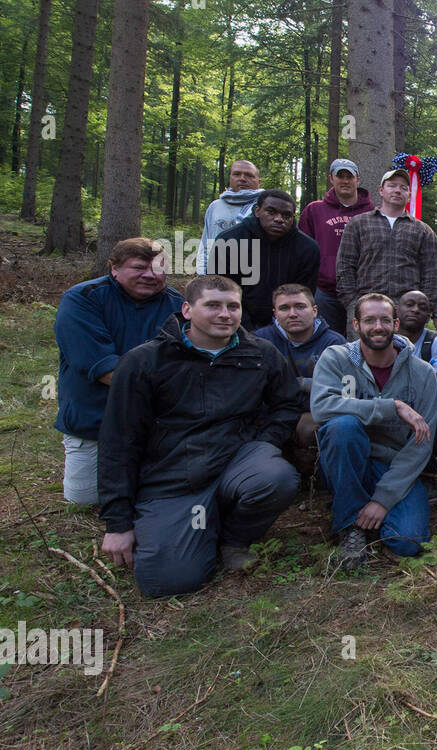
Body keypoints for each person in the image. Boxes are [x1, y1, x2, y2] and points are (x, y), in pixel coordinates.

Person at [97, 276, 300, 597]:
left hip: (235, 464)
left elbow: (287, 402)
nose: (225, 314)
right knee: (167, 581)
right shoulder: (145, 361)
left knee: (277, 476)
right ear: (187, 310)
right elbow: (118, 441)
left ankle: (233, 539)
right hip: (172, 479)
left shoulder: (260, 354)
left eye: (233, 306)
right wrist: (118, 523)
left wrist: (265, 443)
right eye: (213, 306)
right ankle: (197, 530)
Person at [311, 293, 437, 569]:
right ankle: (350, 526)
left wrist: (383, 500)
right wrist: (391, 406)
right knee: (343, 426)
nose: (377, 327)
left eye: (384, 320)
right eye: (369, 320)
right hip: (346, 459)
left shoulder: (422, 373)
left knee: (407, 541)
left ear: (395, 324)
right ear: (356, 325)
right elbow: (321, 408)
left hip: (392, 464)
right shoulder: (336, 358)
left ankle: (370, 507)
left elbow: (421, 445)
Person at [54, 238, 185, 505]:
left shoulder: (178, 306)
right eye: (139, 267)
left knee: (157, 494)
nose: (150, 275)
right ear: (114, 268)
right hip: (94, 419)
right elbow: (102, 369)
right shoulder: (82, 299)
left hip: (158, 424)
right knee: (85, 500)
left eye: (159, 268)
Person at [252, 284, 346, 476]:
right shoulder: (260, 340)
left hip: (312, 412)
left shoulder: (334, 343)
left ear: (314, 310)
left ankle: (314, 477)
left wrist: (295, 384)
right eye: (284, 308)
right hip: (272, 410)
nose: (293, 313)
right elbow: (252, 384)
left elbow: (340, 389)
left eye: (300, 307)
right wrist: (307, 384)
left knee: (310, 428)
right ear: (275, 313)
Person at [335, 168, 437, 323]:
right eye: (392, 185)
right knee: (363, 348)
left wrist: (423, 307)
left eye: (403, 188)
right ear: (381, 190)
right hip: (367, 308)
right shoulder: (358, 224)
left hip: (408, 312)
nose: (397, 191)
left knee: (405, 348)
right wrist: (352, 303)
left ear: (410, 195)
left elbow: (431, 274)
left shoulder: (423, 231)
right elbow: (344, 266)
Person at [212, 189, 320, 331]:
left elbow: (302, 295)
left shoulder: (307, 248)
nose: (279, 219)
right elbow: (219, 290)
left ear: (293, 217)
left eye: (286, 215)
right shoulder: (230, 240)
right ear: (257, 211)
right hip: (233, 320)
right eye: (271, 212)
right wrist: (245, 328)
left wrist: (277, 329)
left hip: (285, 324)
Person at [298, 159, 374, 334]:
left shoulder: (372, 212)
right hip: (324, 291)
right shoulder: (314, 210)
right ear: (331, 178)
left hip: (361, 291)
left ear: (358, 180)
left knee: (362, 340)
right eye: (340, 176)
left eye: (350, 176)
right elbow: (303, 250)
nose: (345, 181)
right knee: (326, 340)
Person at [395, 288, 437, 463]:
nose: (415, 309)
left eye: (422, 307)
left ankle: (426, 467)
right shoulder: (383, 339)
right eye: (409, 305)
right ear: (397, 310)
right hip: (388, 402)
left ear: (429, 316)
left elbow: (434, 388)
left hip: (424, 404)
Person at [198, 159, 260, 274]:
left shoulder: (266, 208)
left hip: (253, 274)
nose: (242, 178)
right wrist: (202, 274)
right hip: (217, 271)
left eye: (249, 175)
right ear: (230, 178)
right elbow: (206, 243)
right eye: (237, 174)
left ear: (258, 181)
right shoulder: (215, 206)